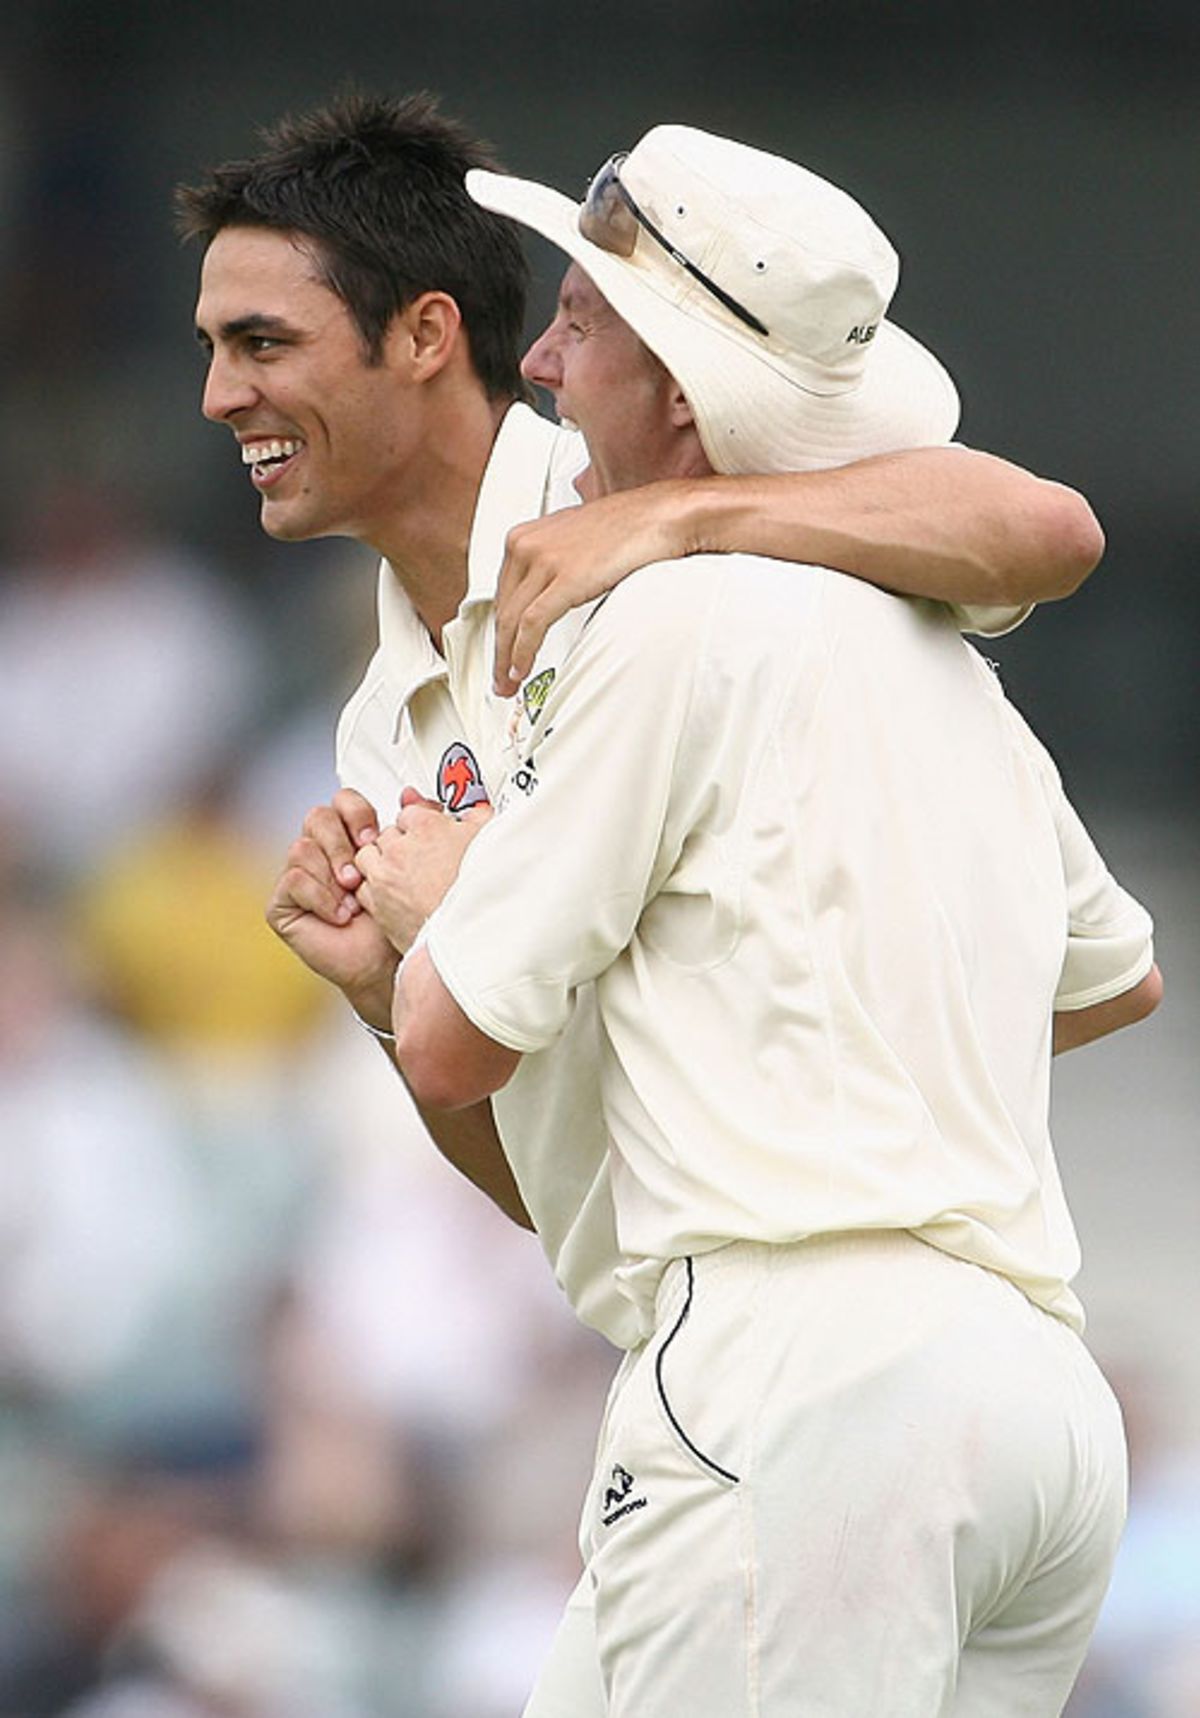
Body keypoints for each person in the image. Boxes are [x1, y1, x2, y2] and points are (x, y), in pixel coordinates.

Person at [353, 125, 1162, 1716]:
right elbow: (1105, 983)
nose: (538, 364)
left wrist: (433, 918)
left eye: (577, 322)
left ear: (676, 387)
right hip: (1037, 1400)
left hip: (798, 1386)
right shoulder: (930, 644)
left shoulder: (661, 616)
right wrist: (753, 1004)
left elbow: (449, 1043)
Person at [179, 88, 1105, 1350]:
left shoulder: (657, 477)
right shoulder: (382, 729)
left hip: (805, 1321)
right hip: (707, 1330)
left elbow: (1048, 529)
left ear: (425, 334)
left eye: (262, 343)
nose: (219, 395)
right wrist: (390, 993)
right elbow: (550, 1185)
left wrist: (676, 518)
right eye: (213, 347)